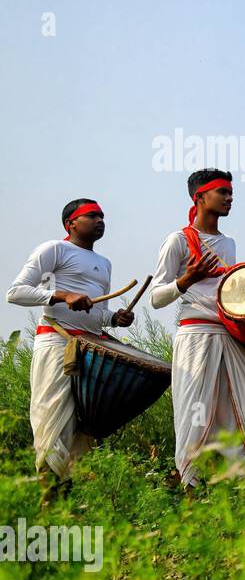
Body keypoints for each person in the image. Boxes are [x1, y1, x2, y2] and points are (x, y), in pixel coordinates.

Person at [6, 199, 135, 489]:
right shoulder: (54, 249)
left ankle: (70, 498)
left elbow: (97, 314)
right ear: (71, 223)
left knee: (82, 427)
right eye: (91, 215)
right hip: (56, 343)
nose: (100, 220)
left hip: (90, 349)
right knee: (53, 421)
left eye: (102, 216)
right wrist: (62, 295)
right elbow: (15, 293)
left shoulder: (104, 264)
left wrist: (115, 318)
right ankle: (47, 494)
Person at [151, 169, 245, 485]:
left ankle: (241, 484)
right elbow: (156, 298)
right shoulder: (177, 240)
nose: (229, 198)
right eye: (223, 193)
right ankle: (192, 488)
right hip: (196, 335)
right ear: (200, 197)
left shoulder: (228, 243)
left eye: (231, 193)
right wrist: (187, 279)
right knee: (194, 416)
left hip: (230, 336)